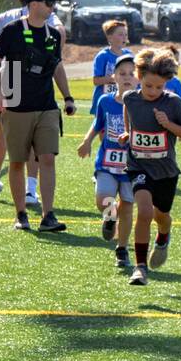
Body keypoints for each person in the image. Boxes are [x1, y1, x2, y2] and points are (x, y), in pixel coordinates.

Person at [0, 0, 75, 233]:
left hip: (46, 104)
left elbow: (57, 66)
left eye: (53, 3)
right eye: (49, 3)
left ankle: (48, 215)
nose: (52, 7)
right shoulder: (12, 30)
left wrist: (67, 97)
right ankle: (21, 214)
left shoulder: (53, 34)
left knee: (47, 158)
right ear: (34, 4)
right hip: (16, 104)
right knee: (17, 161)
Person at [121, 47, 181, 286]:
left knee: (161, 216)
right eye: (148, 85)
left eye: (158, 87)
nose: (153, 91)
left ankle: (163, 236)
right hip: (138, 165)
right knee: (143, 211)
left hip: (165, 170)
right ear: (138, 77)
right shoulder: (130, 98)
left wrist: (168, 124)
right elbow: (128, 112)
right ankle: (140, 267)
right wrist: (127, 133)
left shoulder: (173, 103)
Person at [77, 53, 137, 267]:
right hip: (107, 162)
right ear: (114, 77)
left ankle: (122, 249)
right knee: (103, 198)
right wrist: (87, 141)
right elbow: (98, 123)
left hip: (132, 165)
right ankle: (110, 217)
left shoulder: (141, 103)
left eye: (132, 73)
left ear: (139, 77)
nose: (127, 76)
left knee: (128, 205)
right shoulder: (105, 101)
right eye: (122, 73)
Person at [89, 19, 130, 115]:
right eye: (120, 34)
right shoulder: (102, 56)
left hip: (122, 101)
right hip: (105, 101)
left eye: (126, 34)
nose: (124, 37)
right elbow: (96, 81)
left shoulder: (129, 55)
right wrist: (112, 79)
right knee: (102, 129)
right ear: (110, 38)